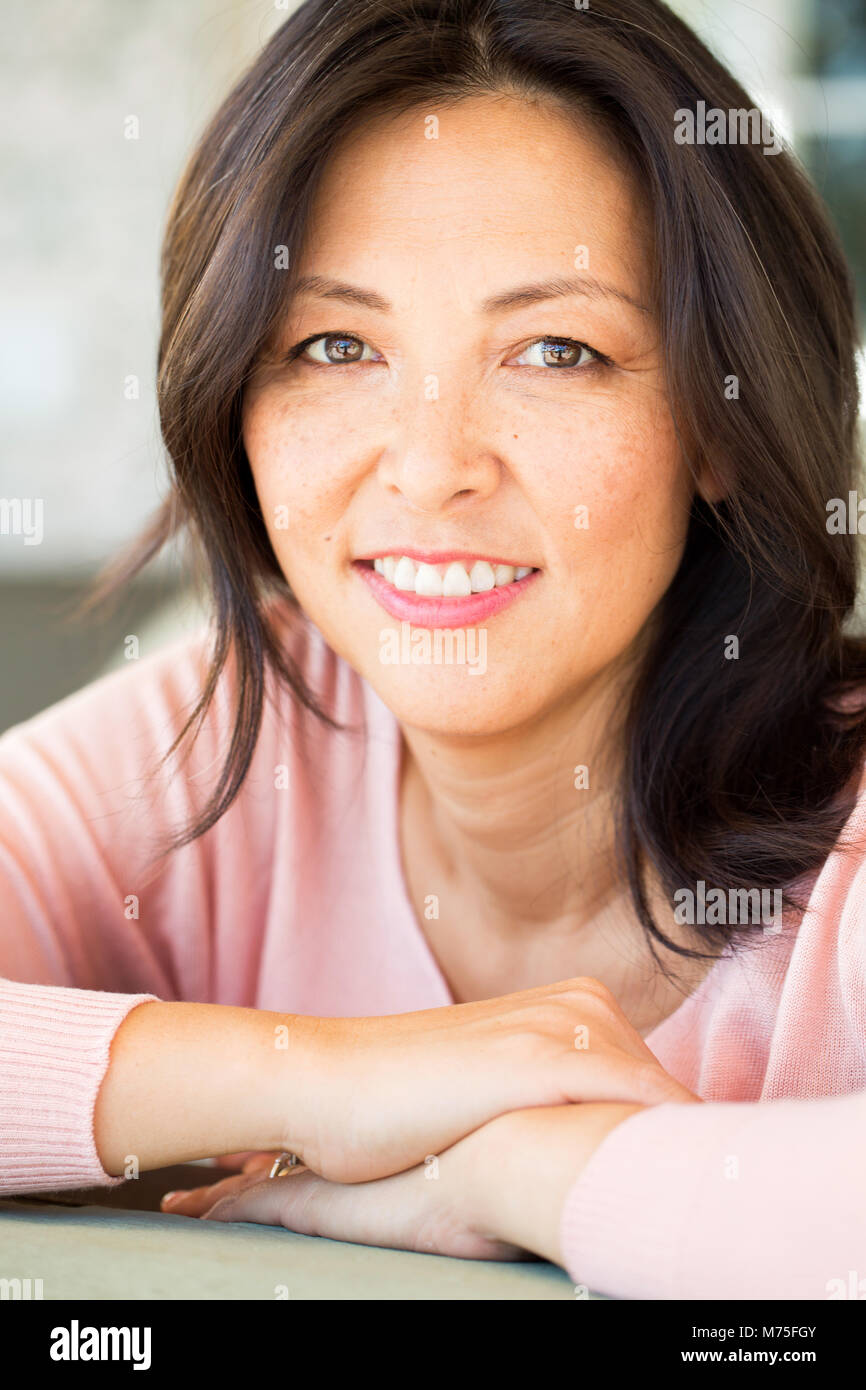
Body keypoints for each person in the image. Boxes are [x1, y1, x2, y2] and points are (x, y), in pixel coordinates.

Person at [2, 0, 865, 1299]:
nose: (429, 466)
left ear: (716, 421)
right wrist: (341, 1074)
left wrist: (513, 1172)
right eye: (335, 345)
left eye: (555, 350)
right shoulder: (231, 731)